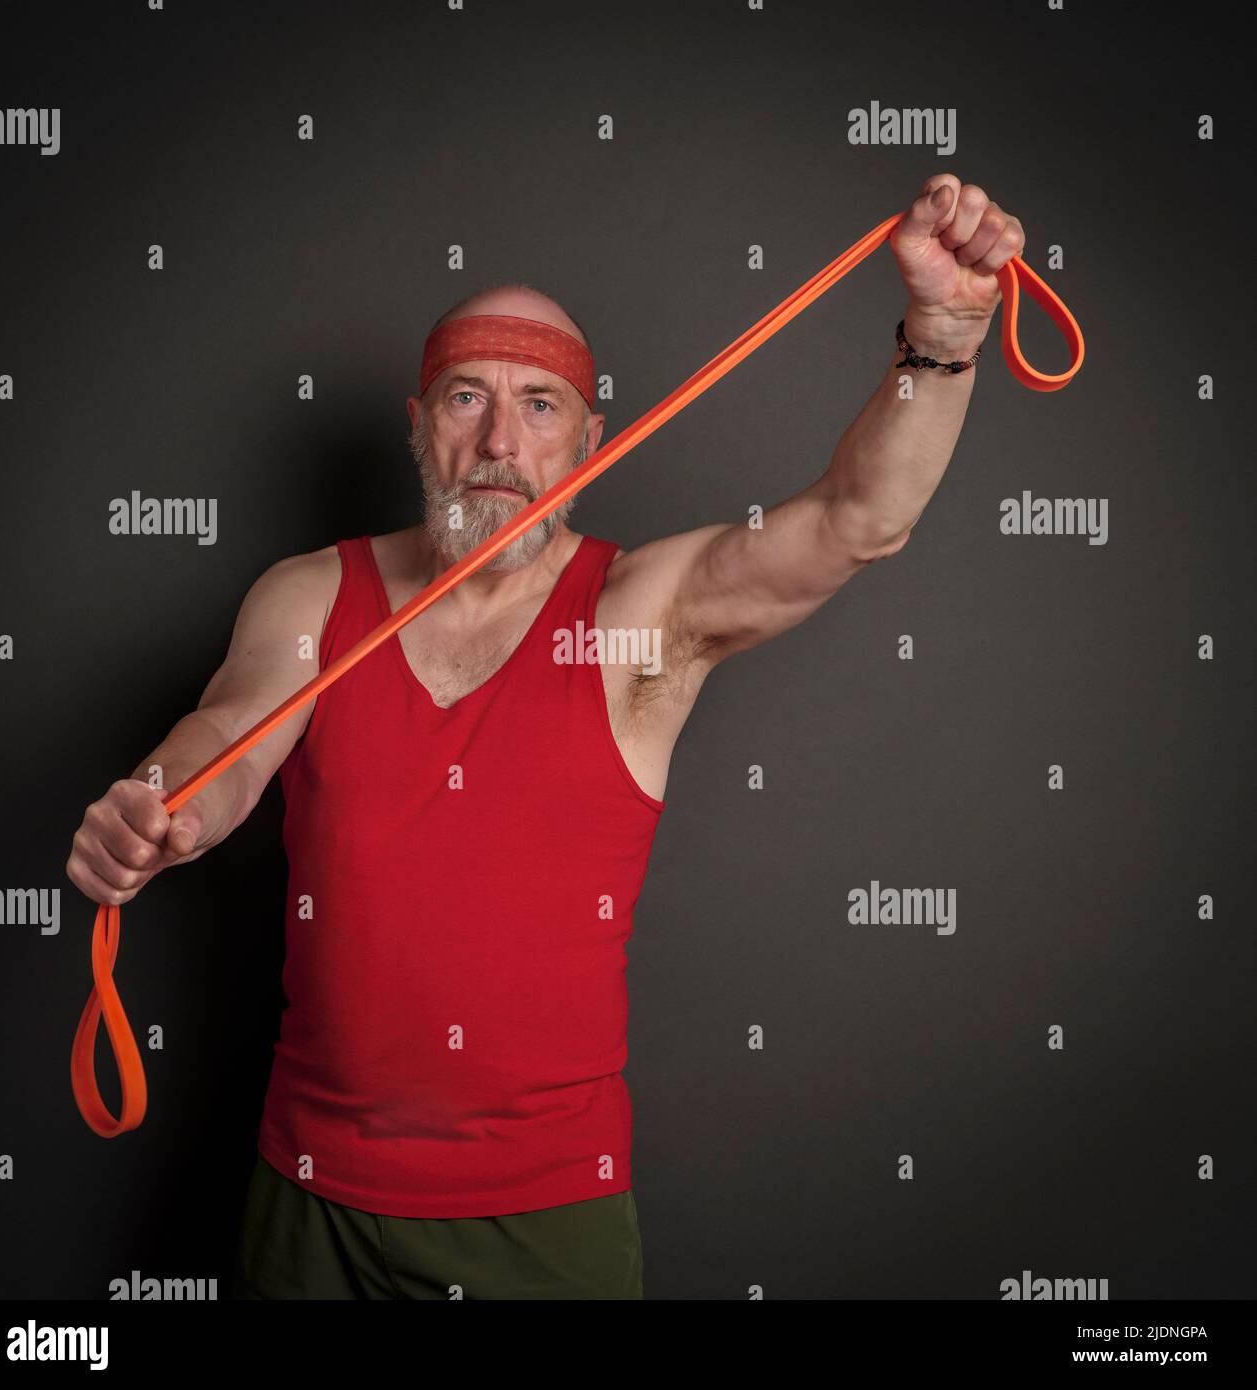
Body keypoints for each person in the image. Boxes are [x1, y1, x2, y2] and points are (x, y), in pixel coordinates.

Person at [65, 174, 1025, 1299]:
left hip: (540, 1215)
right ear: (419, 427)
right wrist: (155, 805)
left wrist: (944, 336)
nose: (498, 442)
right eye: (466, 397)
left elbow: (859, 520)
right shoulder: (311, 591)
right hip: (308, 1188)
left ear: (587, 440)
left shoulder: (635, 613)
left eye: (539, 406)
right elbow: (227, 736)